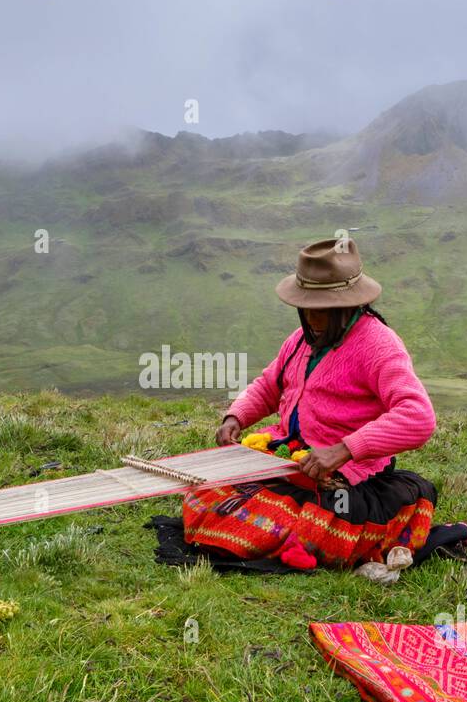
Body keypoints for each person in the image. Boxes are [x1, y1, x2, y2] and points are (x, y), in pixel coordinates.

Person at [182, 236, 440, 569]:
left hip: (342, 478)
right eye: (306, 307)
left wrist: (344, 449)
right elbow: (269, 386)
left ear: (348, 304)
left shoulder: (379, 345)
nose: (312, 318)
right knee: (203, 495)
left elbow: (418, 417)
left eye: (321, 310)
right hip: (286, 458)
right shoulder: (300, 341)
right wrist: (236, 417)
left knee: (306, 523)